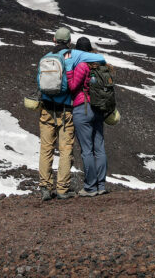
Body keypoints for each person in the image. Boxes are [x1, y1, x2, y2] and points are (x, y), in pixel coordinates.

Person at [38, 27, 77, 201]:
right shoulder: (70, 60)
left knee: (46, 149)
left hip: (46, 109)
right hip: (65, 111)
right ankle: (62, 189)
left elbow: (39, 82)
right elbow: (73, 84)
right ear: (69, 42)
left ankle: (45, 187)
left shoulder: (45, 58)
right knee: (65, 149)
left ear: (54, 40)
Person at [68, 37, 108, 196]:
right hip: (99, 108)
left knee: (87, 150)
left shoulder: (82, 65)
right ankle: (101, 185)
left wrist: (70, 71)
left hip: (83, 108)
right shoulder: (100, 65)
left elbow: (72, 86)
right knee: (99, 148)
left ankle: (90, 187)